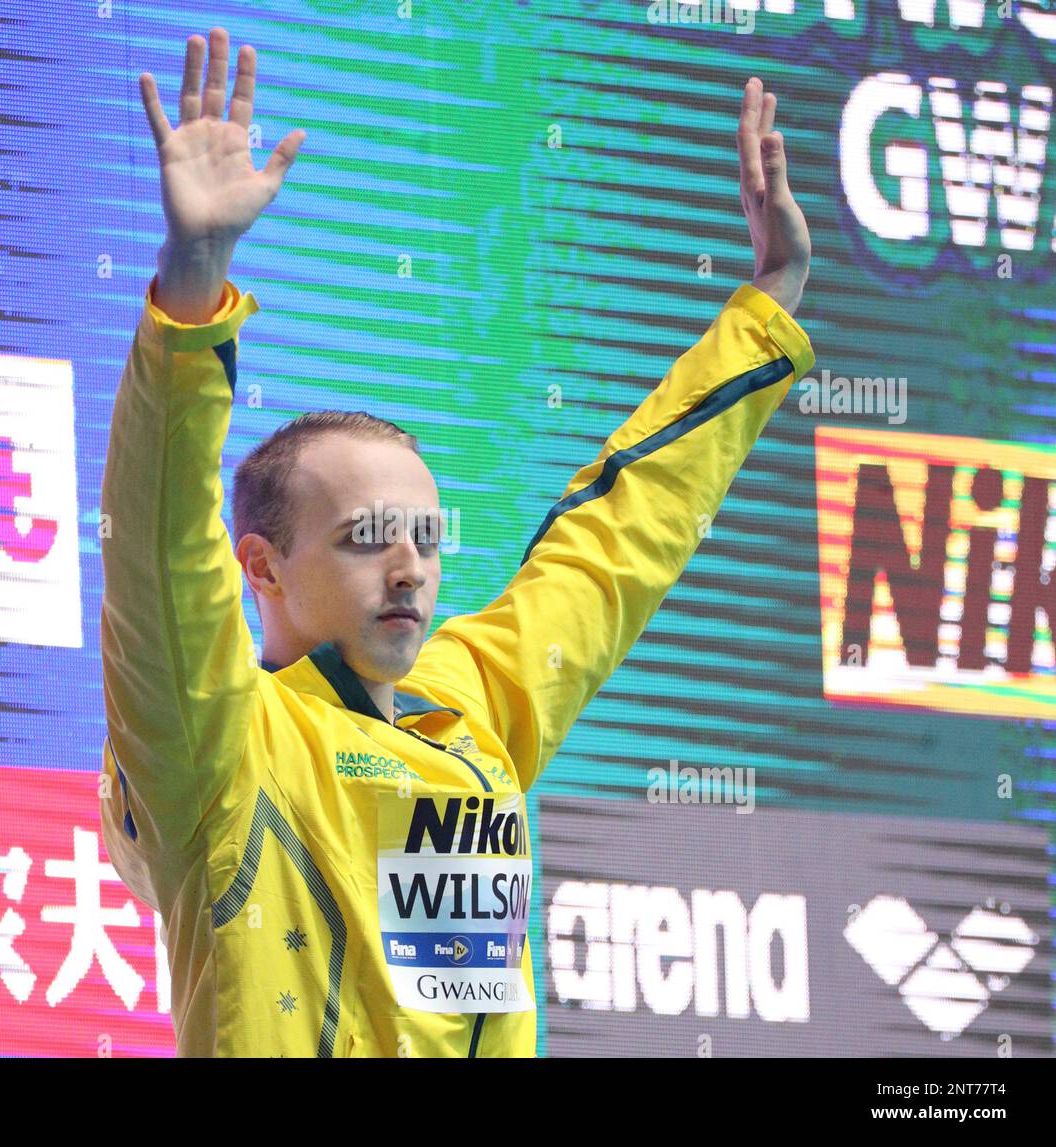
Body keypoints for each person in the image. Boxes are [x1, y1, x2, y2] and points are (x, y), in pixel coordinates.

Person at [98, 26, 814, 1057]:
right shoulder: (218, 744)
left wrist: (767, 303)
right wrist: (192, 291)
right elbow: (158, 556)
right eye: (368, 538)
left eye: (426, 537)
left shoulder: (471, 705)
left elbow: (618, 535)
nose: (412, 568)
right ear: (261, 566)